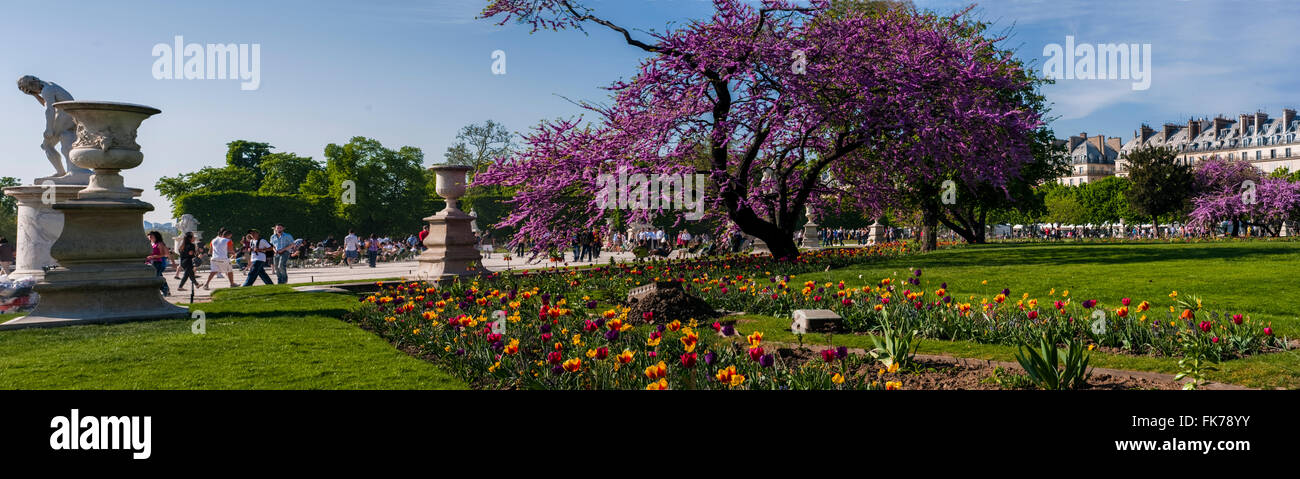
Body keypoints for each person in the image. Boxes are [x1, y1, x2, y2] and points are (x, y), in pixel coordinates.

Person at [146, 231, 171, 296]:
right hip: (152, 262)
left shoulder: (159, 243)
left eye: (151, 236)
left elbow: (163, 254)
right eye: (149, 236)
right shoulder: (151, 243)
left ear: (156, 236)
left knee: (156, 278)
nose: (150, 237)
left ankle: (165, 290)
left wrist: (153, 256)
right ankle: (166, 290)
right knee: (159, 276)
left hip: (158, 263)